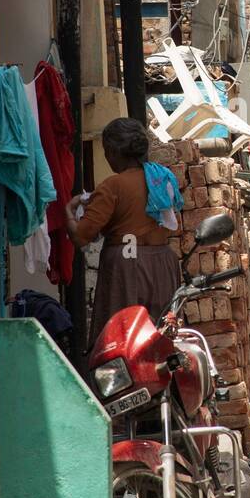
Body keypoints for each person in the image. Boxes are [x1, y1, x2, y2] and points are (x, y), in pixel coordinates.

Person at [65, 117, 182, 349]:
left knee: (121, 339)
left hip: (127, 266)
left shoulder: (113, 186)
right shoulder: (162, 178)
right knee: (162, 337)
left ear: (114, 151)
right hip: (163, 264)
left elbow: (81, 236)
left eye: (107, 152)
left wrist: (68, 210)